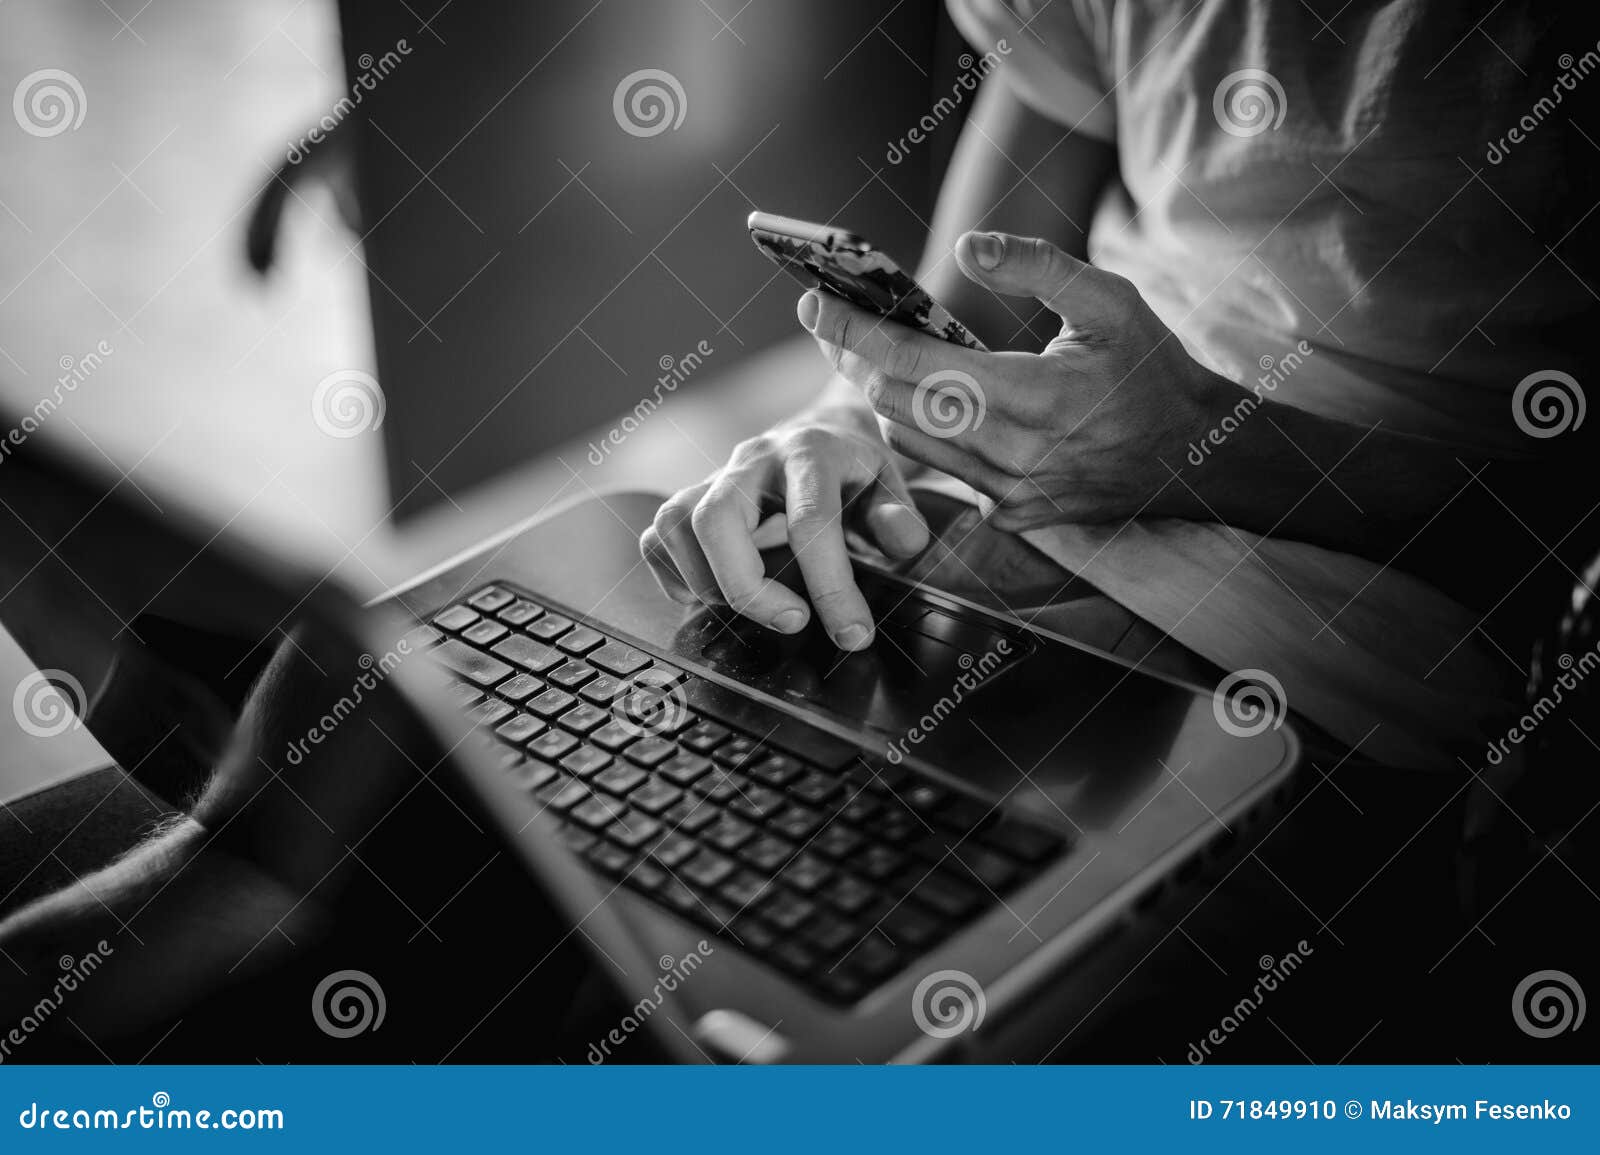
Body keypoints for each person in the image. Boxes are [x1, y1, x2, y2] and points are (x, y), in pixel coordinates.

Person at [3, 0, 1596, 1061]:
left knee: (665, 966)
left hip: (1329, 656)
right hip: (984, 520)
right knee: (425, 725)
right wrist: (870, 412)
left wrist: (1206, 450)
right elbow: (985, 281)